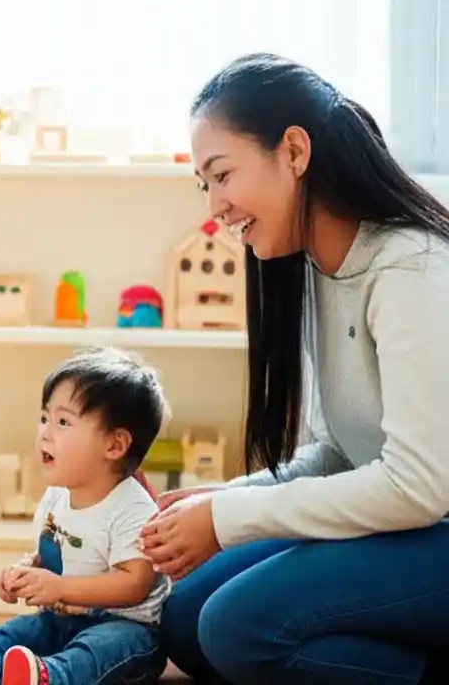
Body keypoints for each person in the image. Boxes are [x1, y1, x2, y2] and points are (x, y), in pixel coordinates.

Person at [142, 52, 449, 685]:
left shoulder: (412, 269)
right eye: (205, 184)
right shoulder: (314, 270)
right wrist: (220, 498)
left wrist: (229, 522)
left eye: (222, 174)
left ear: (295, 151)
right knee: (185, 616)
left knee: (237, 628)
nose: (216, 207)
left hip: (434, 527)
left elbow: (420, 486)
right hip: (406, 529)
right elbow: (338, 450)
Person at [0, 347, 171, 685]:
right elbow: (56, 554)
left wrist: (60, 587)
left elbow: (134, 584)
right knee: (15, 633)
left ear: (115, 446)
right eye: (44, 418)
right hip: (60, 618)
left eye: (63, 422)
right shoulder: (58, 497)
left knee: (94, 651)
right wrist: (26, 571)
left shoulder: (132, 508)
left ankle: (50, 678)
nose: (44, 432)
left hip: (128, 632)